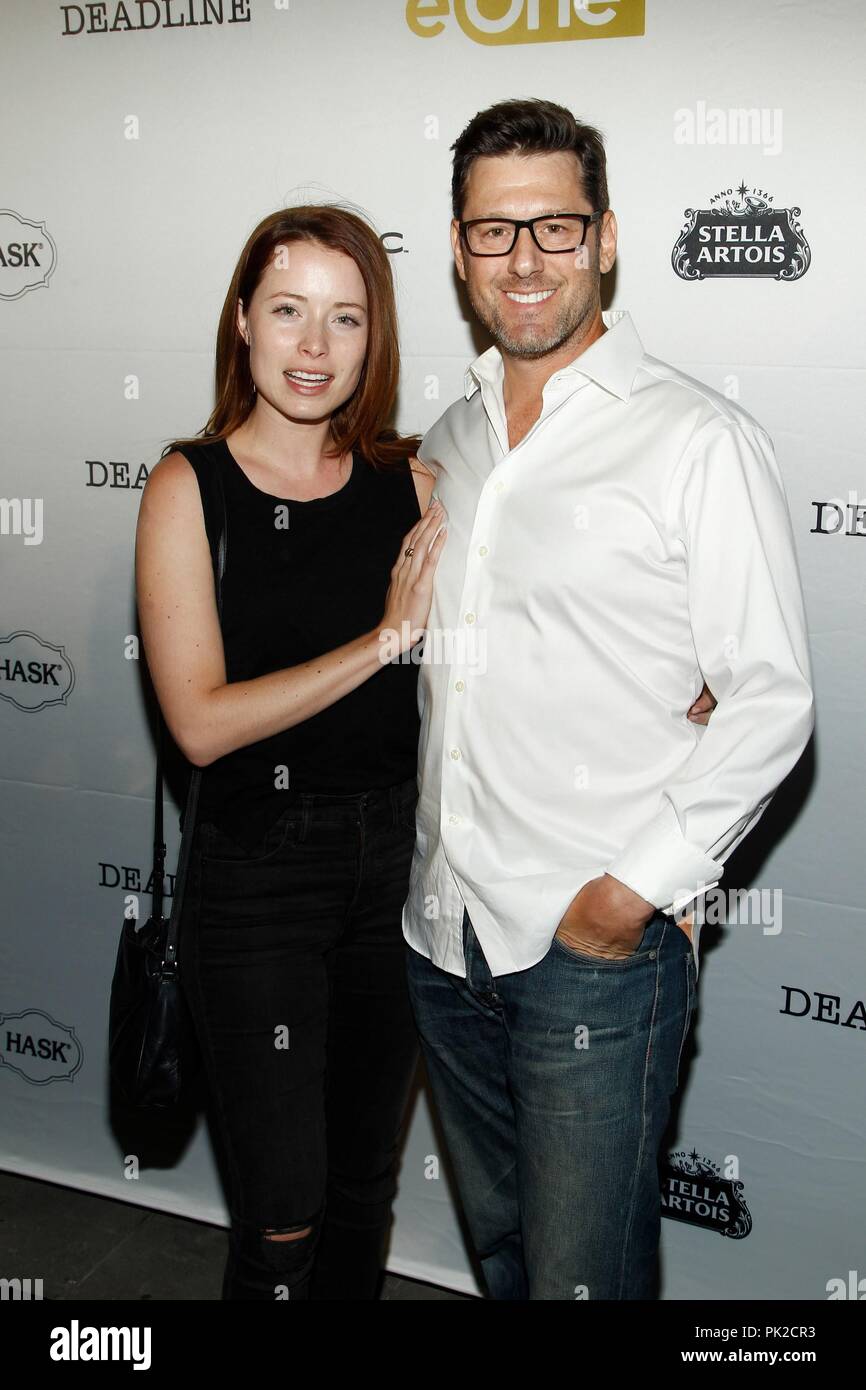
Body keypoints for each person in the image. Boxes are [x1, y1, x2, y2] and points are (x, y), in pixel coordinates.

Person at [402, 99, 814, 1300]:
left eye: (553, 225)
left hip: (590, 945)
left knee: (585, 1276)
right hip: (443, 931)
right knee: (507, 1257)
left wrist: (627, 894)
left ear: (608, 237)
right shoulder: (451, 439)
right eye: (492, 231)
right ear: (456, 249)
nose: (523, 259)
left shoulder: (696, 439)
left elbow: (769, 697)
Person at [134, 204, 445, 1300]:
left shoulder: (410, 486)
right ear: (242, 324)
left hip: (395, 870)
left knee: (363, 1188)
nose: (314, 347)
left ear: (375, 337)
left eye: (345, 318)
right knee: (282, 1219)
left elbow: (538, 612)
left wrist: (681, 684)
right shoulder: (189, 488)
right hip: (259, 877)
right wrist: (380, 643)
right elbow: (202, 723)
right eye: (288, 311)